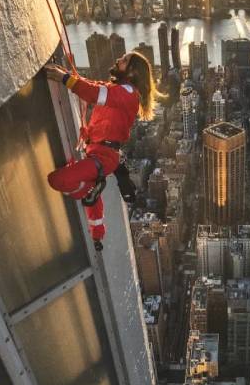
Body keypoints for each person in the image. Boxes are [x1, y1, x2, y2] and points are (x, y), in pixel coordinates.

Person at [44, 52, 162, 250]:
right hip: (95, 151)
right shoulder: (116, 88)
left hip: (104, 156)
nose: (117, 60)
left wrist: (64, 78)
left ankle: (91, 187)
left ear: (132, 71)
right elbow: (89, 84)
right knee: (88, 193)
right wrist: (97, 236)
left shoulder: (128, 93)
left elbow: (92, 93)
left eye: (123, 60)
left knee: (57, 180)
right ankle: (97, 223)